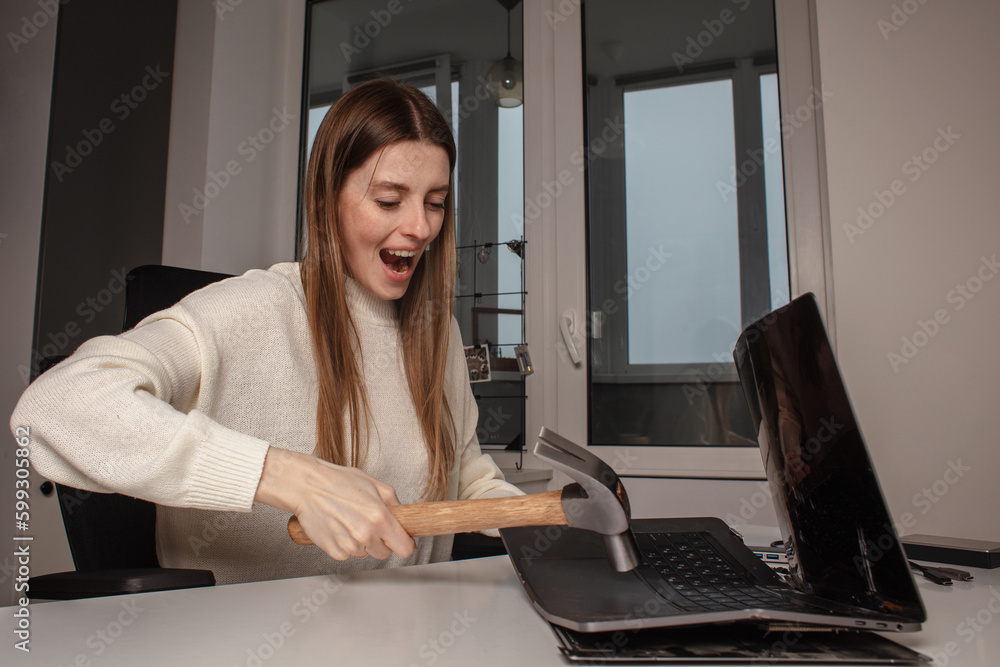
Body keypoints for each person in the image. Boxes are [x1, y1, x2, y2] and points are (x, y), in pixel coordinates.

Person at [10, 78, 522, 585]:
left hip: (411, 625)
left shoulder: (438, 333)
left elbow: (466, 478)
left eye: (435, 202)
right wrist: (288, 477)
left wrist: (535, 519)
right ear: (328, 199)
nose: (421, 227)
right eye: (389, 201)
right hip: (248, 629)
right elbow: (51, 407)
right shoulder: (250, 310)